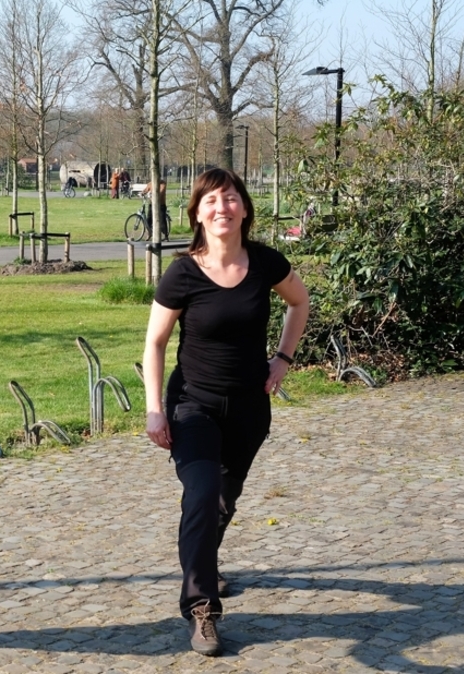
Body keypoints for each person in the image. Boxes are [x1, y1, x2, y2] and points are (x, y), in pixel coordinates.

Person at [141, 168, 309, 657]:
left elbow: (299, 302)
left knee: (222, 502)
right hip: (193, 404)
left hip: (249, 408)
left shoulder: (265, 262)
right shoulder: (183, 273)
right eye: (211, 200)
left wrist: (283, 358)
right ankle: (202, 608)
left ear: (245, 209)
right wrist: (155, 410)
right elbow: (155, 343)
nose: (222, 208)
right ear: (197, 213)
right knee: (201, 494)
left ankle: (204, 562)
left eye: (231, 198)